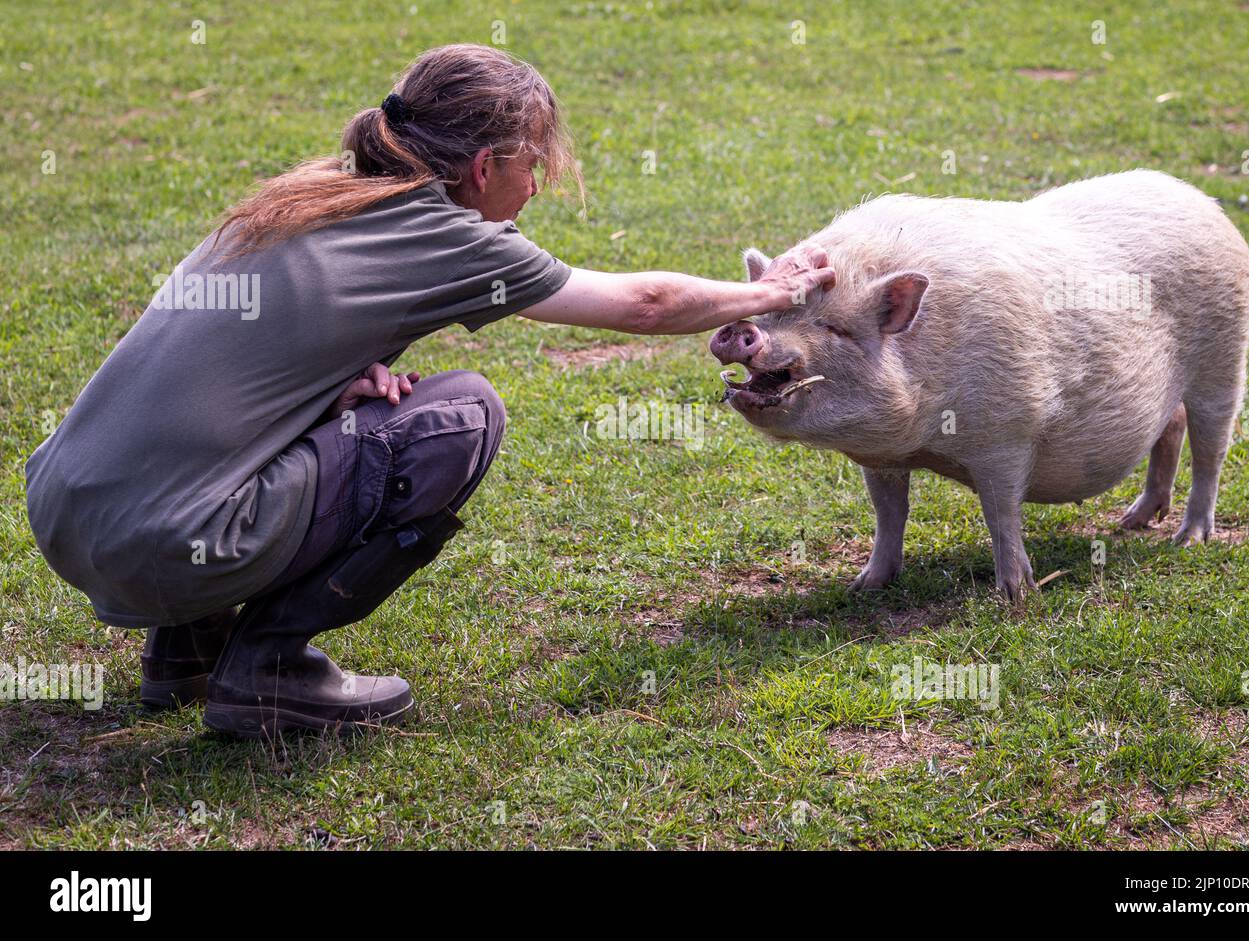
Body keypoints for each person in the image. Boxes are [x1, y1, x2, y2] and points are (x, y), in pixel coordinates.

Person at [24, 43, 835, 739]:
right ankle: (266, 668)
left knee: (331, 419)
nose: (538, 187)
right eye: (535, 166)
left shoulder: (306, 194)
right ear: (485, 167)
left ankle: (187, 650)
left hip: (69, 512)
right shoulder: (440, 231)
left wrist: (333, 383)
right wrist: (772, 294)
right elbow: (644, 304)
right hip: (168, 538)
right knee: (460, 415)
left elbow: (235, 368)